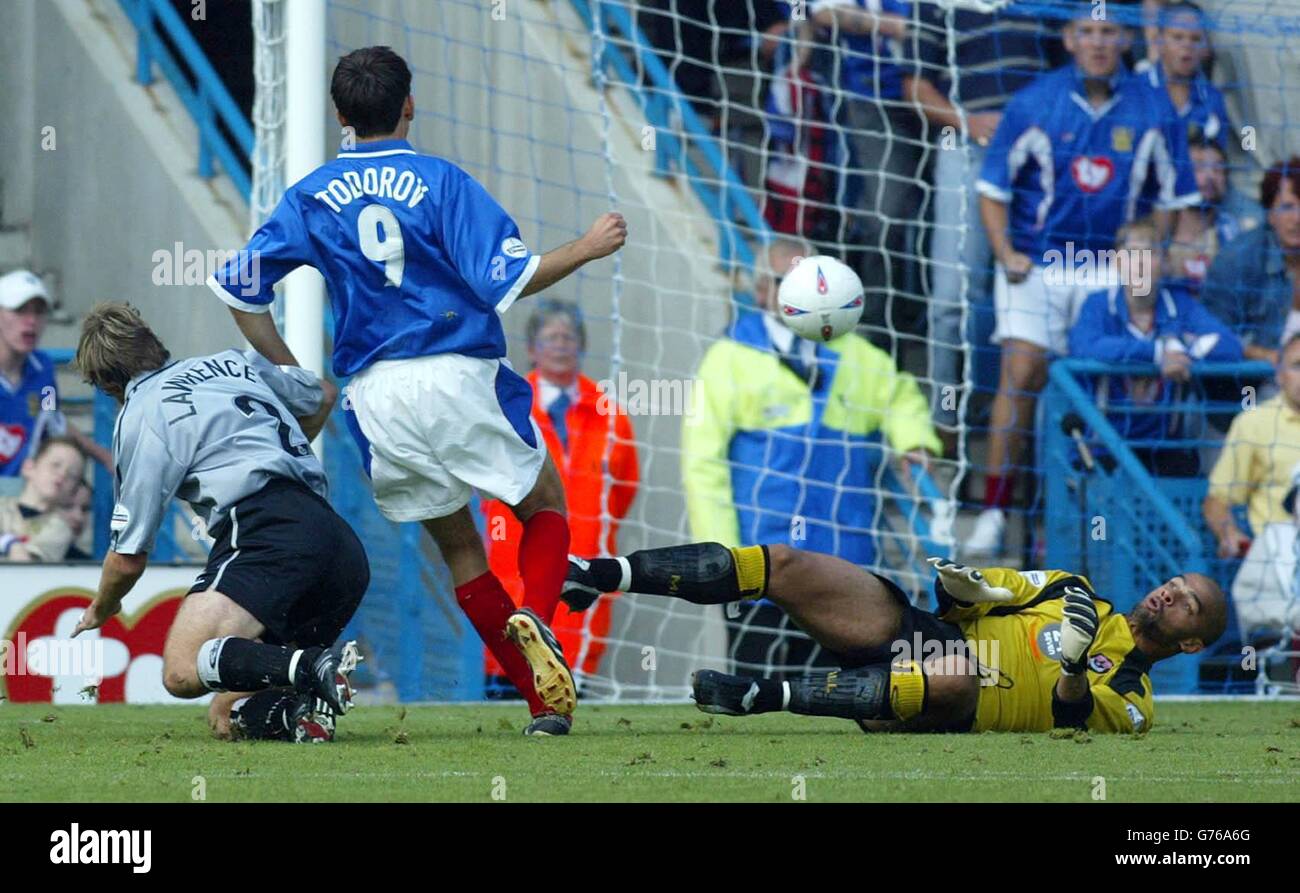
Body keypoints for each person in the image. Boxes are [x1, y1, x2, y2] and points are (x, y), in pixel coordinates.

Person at [209, 46, 627, 735]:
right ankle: (542, 627)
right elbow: (508, 281)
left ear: (341, 115)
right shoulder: (442, 181)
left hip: (376, 395)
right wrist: (585, 245)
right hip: (457, 368)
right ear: (409, 103)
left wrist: (294, 371)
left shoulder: (311, 196)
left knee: (463, 550)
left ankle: (545, 703)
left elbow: (236, 288)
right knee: (545, 504)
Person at [71, 303, 367, 744]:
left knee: (183, 668)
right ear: (154, 344)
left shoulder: (143, 412)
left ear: (109, 384)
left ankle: (311, 666)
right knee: (230, 707)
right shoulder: (231, 362)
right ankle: (302, 705)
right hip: (339, 547)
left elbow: (128, 556)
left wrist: (103, 605)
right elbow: (321, 394)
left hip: (267, 533)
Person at [967, 2, 1199, 556]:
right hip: (1039, 262)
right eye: (1087, 32)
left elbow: (1173, 200)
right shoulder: (1033, 103)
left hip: (1108, 268)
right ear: (1068, 38)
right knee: (1021, 370)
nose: (1097, 42)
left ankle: (1073, 516)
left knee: (1099, 388)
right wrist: (1004, 252)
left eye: (1108, 32)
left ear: (1126, 39)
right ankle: (995, 509)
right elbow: (992, 191)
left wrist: (1151, 255)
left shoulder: (1154, 110)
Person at [562, 543, 1226, 733]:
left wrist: (1076, 663)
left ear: (1191, 642)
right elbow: (980, 592)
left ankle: (762, 696)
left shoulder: (1137, 700)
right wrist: (968, 585)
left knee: (960, 673)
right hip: (920, 634)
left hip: (954, 700)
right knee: (789, 564)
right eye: (1174, 581)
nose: (1171, 591)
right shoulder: (1073, 589)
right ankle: (600, 572)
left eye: (1188, 600)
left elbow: (1072, 715)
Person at [682, 238, 940, 675]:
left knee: (836, 677)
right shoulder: (729, 358)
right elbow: (702, 463)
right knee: (754, 672)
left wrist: (913, 440)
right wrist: (722, 552)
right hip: (762, 553)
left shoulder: (860, 355)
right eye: (785, 282)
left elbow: (900, 398)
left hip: (843, 552)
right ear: (761, 289)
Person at [904, 0, 1065, 443]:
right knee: (952, 298)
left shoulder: (1044, 6)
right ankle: (945, 419)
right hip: (967, 152)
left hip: (1039, 157)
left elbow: (1064, 73)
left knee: (1029, 292)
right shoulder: (935, 6)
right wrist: (968, 120)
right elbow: (915, 85)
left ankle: (1012, 423)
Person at [480, 300, 639, 691]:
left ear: (582, 345)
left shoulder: (610, 413)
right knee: (511, 682)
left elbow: (623, 490)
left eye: (569, 337)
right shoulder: (506, 406)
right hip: (515, 569)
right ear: (532, 348)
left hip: (581, 573)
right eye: (551, 337)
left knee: (572, 685)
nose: (561, 345)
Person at [1069, 216, 1242, 476]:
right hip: (1104, 446)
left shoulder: (1181, 304)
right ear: (1117, 262)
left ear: (1164, 263)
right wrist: (1158, 353)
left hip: (1162, 447)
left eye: (1149, 254)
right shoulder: (1097, 305)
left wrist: (1180, 349)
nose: (1140, 264)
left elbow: (1230, 347)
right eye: (1131, 255)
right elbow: (1085, 346)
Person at [810, 0, 924, 333]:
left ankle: (927, 319)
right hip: (874, 100)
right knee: (884, 214)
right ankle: (877, 323)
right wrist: (900, 26)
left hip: (946, 95)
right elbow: (822, 12)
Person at [1203, 334, 1300, 640]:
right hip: (1279, 558)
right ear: (1279, 373)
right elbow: (1217, 499)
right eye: (1298, 365)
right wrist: (1228, 533)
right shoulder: (1254, 424)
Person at [0, 269, 111, 476]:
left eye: (39, 311)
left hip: (27, 494)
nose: (31, 320)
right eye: (20, 310)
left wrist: (103, 456)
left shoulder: (43, 369)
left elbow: (52, 419)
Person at [1200, 156, 1300, 366]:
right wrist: (1268, 358)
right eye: (1287, 207)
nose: (1297, 218)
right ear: (1270, 213)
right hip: (1252, 384)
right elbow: (1212, 336)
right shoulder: (1237, 259)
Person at [1164, 132, 1263, 296]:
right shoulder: (1158, 234)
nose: (1210, 176)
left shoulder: (1239, 235)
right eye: (1199, 167)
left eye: (1218, 169)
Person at [1135, 2, 1230, 149]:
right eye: (1178, 37)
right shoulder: (1134, 89)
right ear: (1159, 41)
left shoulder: (1213, 99)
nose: (1187, 45)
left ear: (1205, 47)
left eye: (1195, 39)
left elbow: (1218, 156)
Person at [0, 435, 85, 562]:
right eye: (55, 465)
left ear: (73, 491)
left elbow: (24, 566)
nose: (62, 474)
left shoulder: (60, 530)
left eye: (72, 475)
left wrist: (11, 544)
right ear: (28, 467)